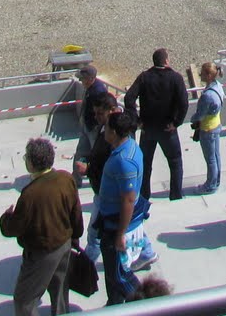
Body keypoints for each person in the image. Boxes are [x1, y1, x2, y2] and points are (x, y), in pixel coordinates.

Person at [0, 136, 84, 316]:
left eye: (26, 157)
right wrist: (75, 236)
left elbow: (14, 228)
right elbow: (75, 211)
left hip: (42, 253)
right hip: (64, 245)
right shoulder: (65, 179)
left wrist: (6, 218)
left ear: (31, 163)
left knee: (24, 301)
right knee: (60, 291)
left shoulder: (30, 194)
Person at [94, 111, 146, 305]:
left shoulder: (125, 161)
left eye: (106, 127)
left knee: (119, 275)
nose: (103, 130)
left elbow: (128, 200)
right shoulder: (128, 146)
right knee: (113, 273)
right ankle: (114, 305)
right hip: (112, 221)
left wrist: (120, 234)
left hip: (117, 226)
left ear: (114, 132)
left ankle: (145, 305)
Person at [124, 48, 189, 201]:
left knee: (145, 165)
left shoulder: (144, 77)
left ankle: (145, 197)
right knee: (175, 162)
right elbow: (184, 103)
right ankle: (176, 195)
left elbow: (129, 98)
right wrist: (176, 123)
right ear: (166, 61)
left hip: (147, 129)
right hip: (168, 129)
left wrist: (137, 120)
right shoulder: (176, 78)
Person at [192, 61, 224, 195]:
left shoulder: (207, 96)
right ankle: (216, 181)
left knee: (210, 159)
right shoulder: (218, 86)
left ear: (209, 75)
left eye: (203, 73)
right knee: (216, 156)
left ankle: (210, 185)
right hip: (216, 124)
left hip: (207, 129)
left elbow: (199, 114)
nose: (200, 75)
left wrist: (193, 120)